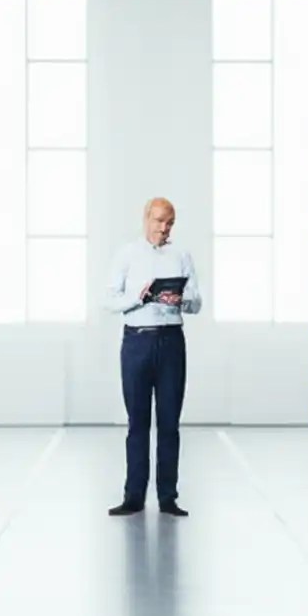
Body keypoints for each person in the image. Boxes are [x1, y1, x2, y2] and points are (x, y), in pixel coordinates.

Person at [104, 197, 202, 517]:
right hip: (137, 342)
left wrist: (181, 299)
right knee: (138, 423)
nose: (165, 228)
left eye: (170, 222)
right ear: (146, 218)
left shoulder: (181, 255)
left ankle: (167, 497)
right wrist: (138, 297)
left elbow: (197, 301)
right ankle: (133, 496)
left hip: (171, 342)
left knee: (170, 424)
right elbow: (109, 299)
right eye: (160, 221)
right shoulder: (127, 254)